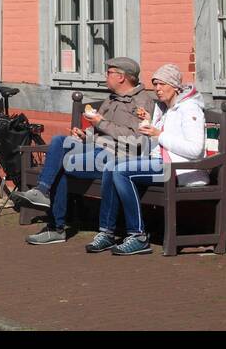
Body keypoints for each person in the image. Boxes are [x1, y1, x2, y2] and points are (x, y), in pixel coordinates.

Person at [16, 57, 152, 245]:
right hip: (95, 149)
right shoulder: (111, 99)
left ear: (121, 77)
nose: (106, 76)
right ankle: (42, 190)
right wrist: (84, 135)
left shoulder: (141, 102)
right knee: (59, 142)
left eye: (109, 72)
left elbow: (136, 139)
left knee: (60, 165)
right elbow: (98, 130)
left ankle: (56, 228)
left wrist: (100, 123)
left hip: (117, 157)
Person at [87, 63, 207, 256]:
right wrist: (149, 125)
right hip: (159, 162)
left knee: (121, 171)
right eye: (155, 85)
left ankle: (138, 235)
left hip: (178, 168)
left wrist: (158, 134)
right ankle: (107, 232)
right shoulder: (166, 108)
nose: (157, 90)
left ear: (175, 86)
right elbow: (157, 139)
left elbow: (195, 149)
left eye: (162, 85)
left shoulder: (190, 109)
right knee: (112, 166)